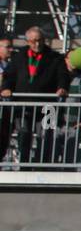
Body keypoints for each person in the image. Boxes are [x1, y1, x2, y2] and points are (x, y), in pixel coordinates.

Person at [11, 26, 70, 164]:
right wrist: (6, 88)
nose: (37, 44)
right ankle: (24, 164)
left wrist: (62, 88)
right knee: (23, 134)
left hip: (47, 105)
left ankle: (41, 165)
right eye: (33, 41)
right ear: (27, 42)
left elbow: (63, 76)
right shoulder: (19, 56)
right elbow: (10, 76)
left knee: (45, 137)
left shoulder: (55, 57)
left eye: (40, 40)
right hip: (23, 105)